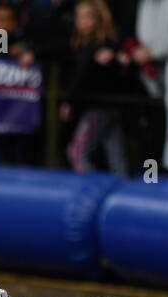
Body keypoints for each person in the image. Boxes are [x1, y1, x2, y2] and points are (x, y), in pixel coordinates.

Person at [60, 0, 133, 175]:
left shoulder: (102, 44)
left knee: (77, 153)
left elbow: (81, 76)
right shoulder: (83, 44)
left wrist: (68, 102)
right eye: (79, 17)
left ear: (100, 19)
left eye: (88, 17)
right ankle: (120, 186)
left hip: (99, 108)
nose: (82, 22)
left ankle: (92, 190)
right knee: (115, 152)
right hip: (106, 108)